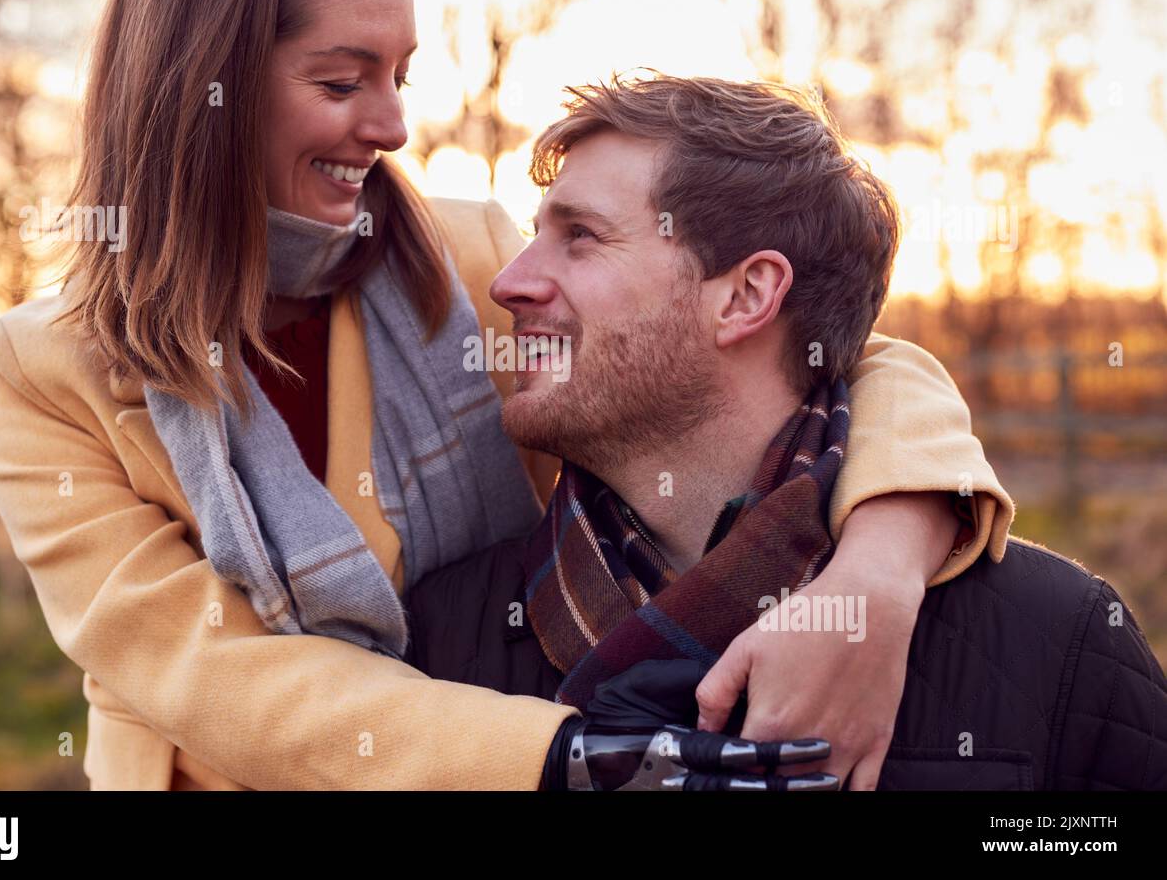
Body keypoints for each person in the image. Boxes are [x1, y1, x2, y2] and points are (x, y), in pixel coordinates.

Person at [0, 0, 1009, 791]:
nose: (392, 125)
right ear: (209, 87)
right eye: (343, 80)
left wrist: (878, 573)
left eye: (401, 75)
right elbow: (209, 674)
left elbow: (830, 353)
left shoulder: (465, 260)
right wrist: (565, 761)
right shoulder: (44, 375)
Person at [404, 75, 1167, 790]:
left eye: (581, 237)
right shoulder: (442, 644)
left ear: (746, 296)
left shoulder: (1059, 641)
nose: (508, 282)